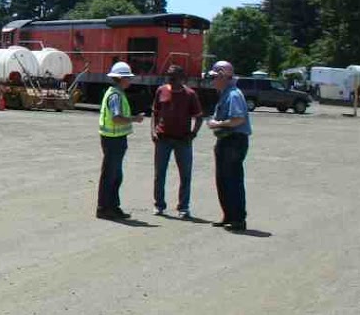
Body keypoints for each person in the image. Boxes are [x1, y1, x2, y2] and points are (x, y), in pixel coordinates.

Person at [151, 64, 204, 217]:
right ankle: (159, 205)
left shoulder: (190, 94)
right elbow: (155, 113)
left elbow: (199, 117)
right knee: (159, 174)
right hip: (163, 139)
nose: (171, 79)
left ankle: (183, 207)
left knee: (185, 175)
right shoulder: (161, 91)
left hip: (183, 140)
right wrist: (153, 131)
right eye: (169, 76)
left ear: (182, 78)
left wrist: (193, 134)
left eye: (174, 77)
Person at [205, 59, 252, 232]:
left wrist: (217, 124)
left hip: (234, 141)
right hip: (226, 141)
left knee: (232, 180)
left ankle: (238, 219)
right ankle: (229, 216)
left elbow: (238, 119)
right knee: (223, 180)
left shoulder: (233, 95)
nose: (213, 81)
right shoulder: (226, 93)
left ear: (223, 76)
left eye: (215, 77)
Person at [96, 61, 145, 219]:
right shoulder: (116, 95)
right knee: (111, 175)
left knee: (115, 175)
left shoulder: (116, 93)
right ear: (120, 78)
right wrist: (135, 119)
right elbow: (117, 118)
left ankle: (112, 206)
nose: (129, 80)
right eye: (127, 78)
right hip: (113, 140)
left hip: (114, 139)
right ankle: (104, 208)